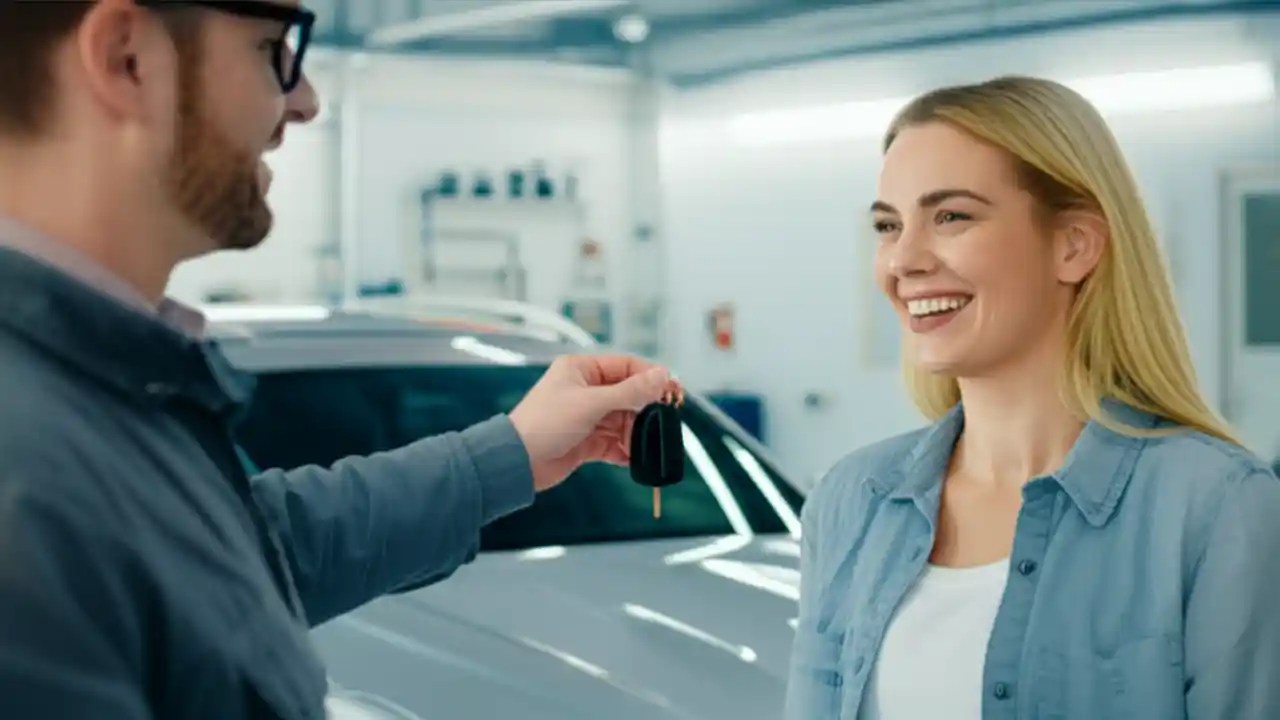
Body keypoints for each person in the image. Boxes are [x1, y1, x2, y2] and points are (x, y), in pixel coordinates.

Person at [0, 1, 680, 717]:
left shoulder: (98, 400)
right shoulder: (27, 472)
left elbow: (254, 549)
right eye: (273, 48)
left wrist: (511, 453)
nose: (305, 102)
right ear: (125, 58)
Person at [784, 75, 1280, 720]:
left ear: (1073, 246)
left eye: (951, 216)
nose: (903, 259)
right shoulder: (851, 500)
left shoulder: (1217, 510)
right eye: (887, 225)